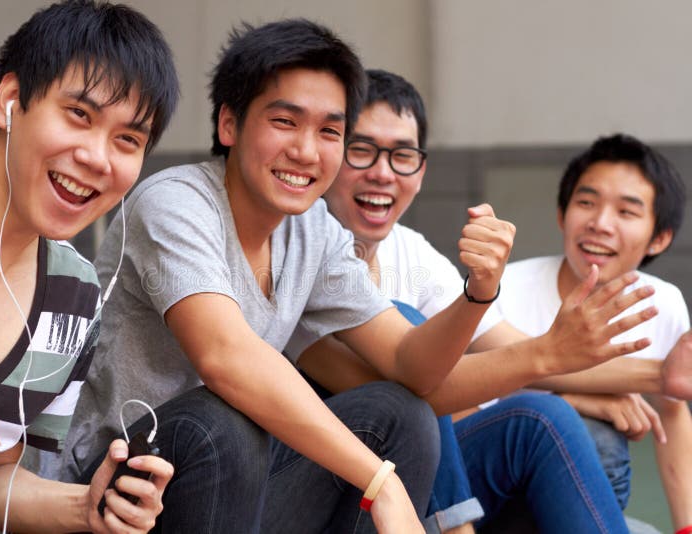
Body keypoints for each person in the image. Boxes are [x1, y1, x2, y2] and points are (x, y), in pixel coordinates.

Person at [57, 19, 523, 534]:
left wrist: (478, 291)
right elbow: (225, 359)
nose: (306, 150)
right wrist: (379, 481)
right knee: (222, 421)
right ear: (229, 124)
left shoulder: (313, 230)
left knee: (400, 413)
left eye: (329, 131)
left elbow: (409, 363)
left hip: (233, 487)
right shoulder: (175, 203)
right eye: (285, 121)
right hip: (112, 483)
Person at [295, 70, 675, 533]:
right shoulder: (301, 243)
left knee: (546, 419)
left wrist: (654, 376)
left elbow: (510, 352)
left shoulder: (411, 251)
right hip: (331, 476)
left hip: (423, 468)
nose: (382, 172)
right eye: (361, 149)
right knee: (413, 332)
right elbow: (419, 393)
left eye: (402, 155)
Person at [0, 1, 179, 532]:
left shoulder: (76, 293)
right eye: (79, 115)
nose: (98, 157)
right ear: (10, 101)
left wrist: (89, 507)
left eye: (128, 140)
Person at [491, 133, 692, 532]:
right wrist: (571, 401)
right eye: (586, 203)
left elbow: (673, 416)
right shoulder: (501, 287)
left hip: (571, 506)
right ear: (562, 214)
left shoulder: (661, 303)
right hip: (492, 494)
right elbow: (468, 406)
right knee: (590, 434)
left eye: (626, 212)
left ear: (660, 237)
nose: (600, 224)